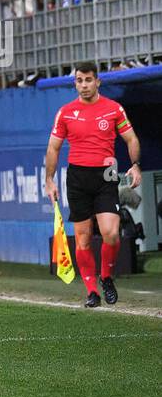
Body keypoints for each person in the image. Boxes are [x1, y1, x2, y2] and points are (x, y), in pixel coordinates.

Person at [45, 62, 142, 308]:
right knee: (83, 239)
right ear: (75, 83)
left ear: (97, 81)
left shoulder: (113, 109)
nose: (84, 85)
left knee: (110, 233)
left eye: (88, 80)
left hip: (107, 173)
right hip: (77, 176)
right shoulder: (65, 112)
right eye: (79, 80)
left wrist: (135, 164)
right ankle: (91, 291)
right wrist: (49, 180)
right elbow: (53, 148)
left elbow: (131, 138)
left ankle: (106, 277)